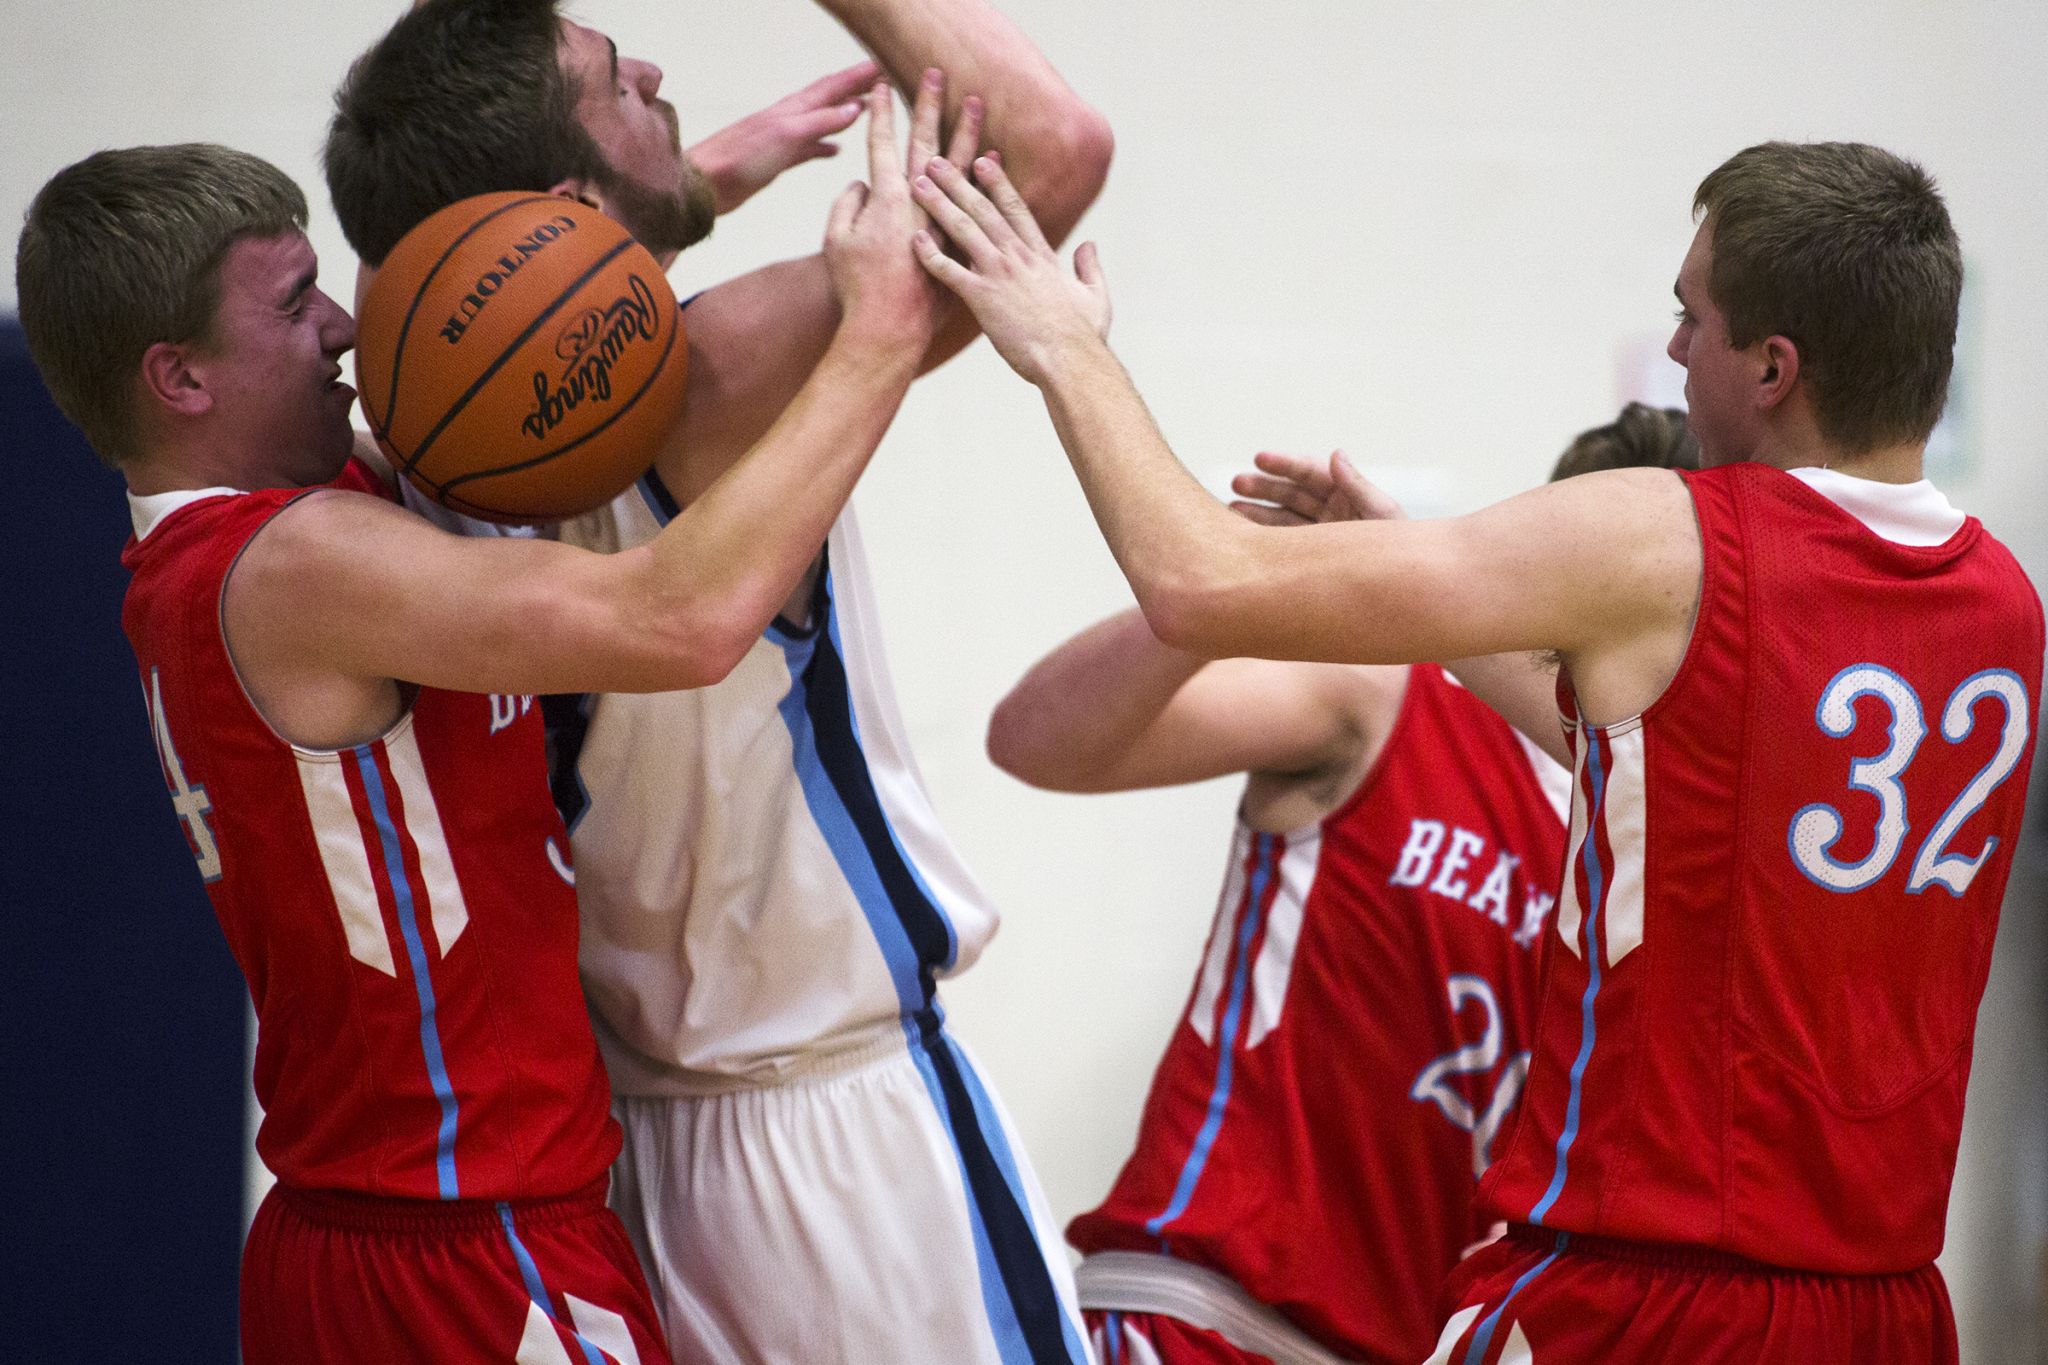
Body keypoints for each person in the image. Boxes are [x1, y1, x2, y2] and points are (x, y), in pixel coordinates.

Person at [908, 142, 2041, 1362]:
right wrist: (1407, 565)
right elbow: (1656, 756)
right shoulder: (1999, 609)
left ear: (1772, 367)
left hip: (1641, 1292)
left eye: (1689, 316)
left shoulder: (1672, 534)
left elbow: (1196, 579)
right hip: (1878, 1304)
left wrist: (1063, 348)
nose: (1670, 347)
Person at [13, 101, 939, 1363]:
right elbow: (679, 621)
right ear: (181, 377)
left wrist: (697, 181)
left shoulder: (237, 538)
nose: (341, 324)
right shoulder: (296, 565)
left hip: (361, 1233)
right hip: (463, 1250)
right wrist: (875, 344)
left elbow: (509, 324)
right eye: (290, 306)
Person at [322, 2, 1112, 1360]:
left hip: (618, 1163)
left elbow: (530, 297)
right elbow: (1055, 143)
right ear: (562, 202)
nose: (655, 70)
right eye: (612, 77)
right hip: (845, 1143)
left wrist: (694, 175)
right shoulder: (703, 387)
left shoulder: (393, 462)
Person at [988, 409, 1696, 1365]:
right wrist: (1229, 580)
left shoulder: (1687, 858)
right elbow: (1037, 739)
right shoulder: (1390, 695)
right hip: (1211, 1313)